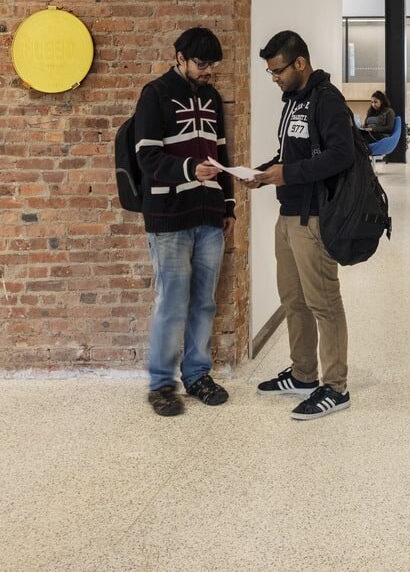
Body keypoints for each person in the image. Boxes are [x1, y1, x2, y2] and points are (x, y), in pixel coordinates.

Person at [248, 31, 356, 420]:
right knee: (293, 299)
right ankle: (303, 374)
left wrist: (287, 174)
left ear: (300, 63)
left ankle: (336, 387)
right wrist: (263, 173)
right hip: (288, 214)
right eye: (270, 72)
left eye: (278, 70)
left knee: (323, 302)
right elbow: (290, 155)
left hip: (315, 219)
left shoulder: (327, 100)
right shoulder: (293, 101)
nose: (274, 78)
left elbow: (341, 155)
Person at [133, 27, 235, 417]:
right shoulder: (155, 94)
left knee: (204, 303)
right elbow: (147, 158)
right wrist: (190, 168)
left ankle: (197, 376)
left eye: (213, 65)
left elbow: (222, 153)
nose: (208, 71)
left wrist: (228, 206)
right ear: (180, 58)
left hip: (209, 216)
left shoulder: (212, 98)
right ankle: (161, 385)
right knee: (172, 303)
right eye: (202, 63)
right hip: (169, 217)